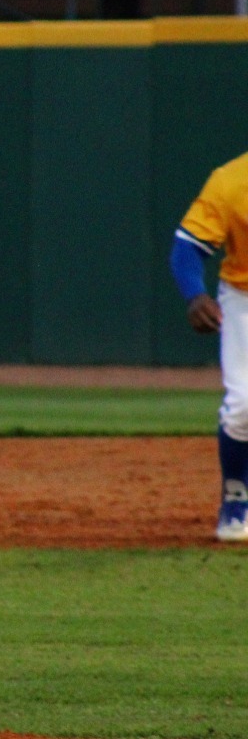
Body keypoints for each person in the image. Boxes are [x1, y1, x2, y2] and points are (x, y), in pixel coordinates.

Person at [170, 151, 248, 542]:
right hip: (244, 297)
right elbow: (187, 246)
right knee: (243, 407)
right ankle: (237, 498)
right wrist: (194, 294)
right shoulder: (232, 181)